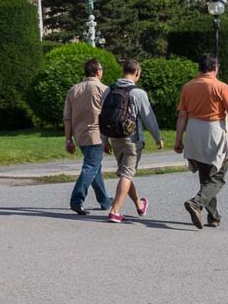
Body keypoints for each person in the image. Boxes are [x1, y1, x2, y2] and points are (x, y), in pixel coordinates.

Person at [174, 53, 228, 229]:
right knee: (219, 175)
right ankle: (196, 203)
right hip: (213, 129)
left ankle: (213, 217)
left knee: (206, 175)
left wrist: (178, 139)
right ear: (215, 68)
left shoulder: (188, 87)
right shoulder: (221, 87)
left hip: (193, 130)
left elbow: (182, 115)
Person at [101, 59, 162, 223]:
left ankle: (139, 204)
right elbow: (149, 118)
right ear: (137, 73)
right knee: (127, 174)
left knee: (125, 173)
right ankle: (115, 211)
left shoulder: (109, 90)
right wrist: (158, 138)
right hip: (132, 138)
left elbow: (104, 116)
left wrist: (104, 140)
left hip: (114, 137)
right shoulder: (138, 93)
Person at [63, 57, 110, 215]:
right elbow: (108, 116)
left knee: (95, 167)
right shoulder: (103, 89)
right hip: (96, 135)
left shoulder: (73, 90)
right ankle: (76, 200)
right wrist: (109, 138)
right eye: (101, 69)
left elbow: (67, 117)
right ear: (98, 72)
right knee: (91, 167)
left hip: (80, 135)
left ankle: (104, 200)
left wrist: (68, 139)